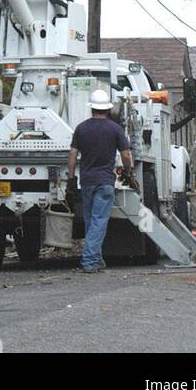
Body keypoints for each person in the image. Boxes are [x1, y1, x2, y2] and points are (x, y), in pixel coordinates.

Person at [67, 88, 137, 273]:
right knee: (98, 221)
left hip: (87, 181)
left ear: (91, 108)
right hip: (105, 181)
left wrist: (71, 178)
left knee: (91, 221)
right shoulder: (115, 129)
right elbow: (126, 155)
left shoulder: (81, 128)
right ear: (107, 109)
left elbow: (73, 154)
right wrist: (128, 172)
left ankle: (96, 259)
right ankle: (89, 261)